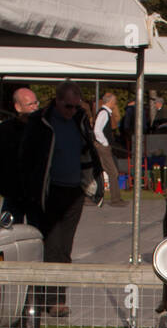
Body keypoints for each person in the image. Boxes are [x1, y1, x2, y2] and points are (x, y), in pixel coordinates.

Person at [20, 80, 104, 315]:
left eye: (76, 107)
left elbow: (87, 151)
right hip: (50, 192)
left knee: (65, 247)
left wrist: (93, 181)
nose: (71, 111)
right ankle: (47, 298)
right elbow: (27, 158)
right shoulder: (41, 122)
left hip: (73, 191)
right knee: (52, 245)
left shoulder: (78, 121)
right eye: (68, 106)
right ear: (57, 101)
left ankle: (57, 297)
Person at [0, 86, 39, 220]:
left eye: (36, 103)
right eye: (30, 104)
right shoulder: (5, 129)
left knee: (38, 233)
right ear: (18, 107)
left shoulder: (43, 128)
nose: (34, 107)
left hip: (36, 193)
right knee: (9, 232)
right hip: (13, 193)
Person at [93, 91, 124, 206]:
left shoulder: (104, 112)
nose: (115, 103)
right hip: (103, 146)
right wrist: (105, 143)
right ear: (110, 101)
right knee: (113, 172)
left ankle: (99, 196)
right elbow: (97, 130)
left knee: (101, 171)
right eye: (114, 101)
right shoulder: (104, 113)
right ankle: (115, 199)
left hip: (102, 145)